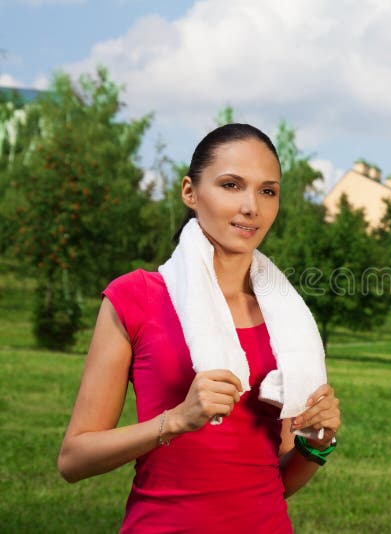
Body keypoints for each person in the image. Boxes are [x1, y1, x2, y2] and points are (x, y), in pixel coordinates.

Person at [57, 123, 341, 533]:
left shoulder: (286, 319)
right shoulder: (136, 297)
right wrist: (177, 420)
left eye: (267, 191)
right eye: (231, 185)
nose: (252, 207)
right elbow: (73, 460)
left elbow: (272, 483)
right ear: (190, 192)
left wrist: (314, 446)